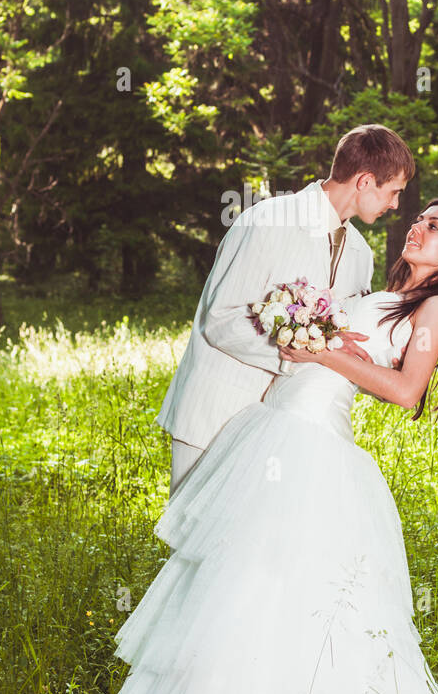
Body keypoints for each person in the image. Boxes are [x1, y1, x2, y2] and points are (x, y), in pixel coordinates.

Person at [98, 196, 438, 694]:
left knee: (284, 579)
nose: (415, 227)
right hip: (275, 424)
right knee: (243, 576)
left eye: (433, 227)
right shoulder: (389, 294)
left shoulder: (435, 306)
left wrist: (324, 350)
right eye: (417, 218)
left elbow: (407, 389)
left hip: (310, 438)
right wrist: (306, 338)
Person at [156, 124, 415, 498]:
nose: (394, 204)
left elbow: (343, 341)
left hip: (283, 428)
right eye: (393, 192)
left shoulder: (360, 253)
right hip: (215, 414)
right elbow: (221, 319)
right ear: (365, 181)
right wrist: (305, 355)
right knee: (196, 547)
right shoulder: (266, 221)